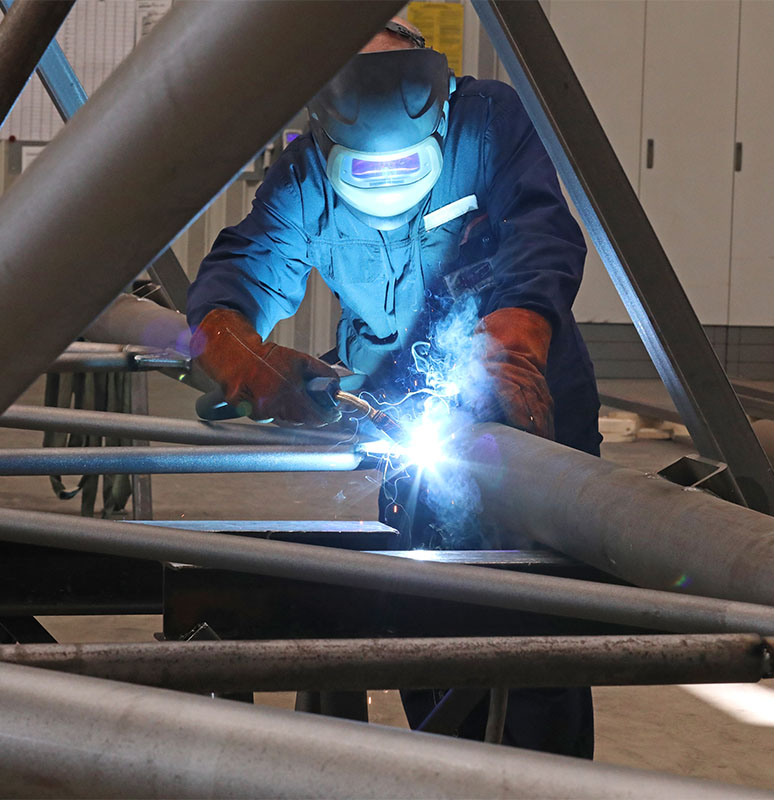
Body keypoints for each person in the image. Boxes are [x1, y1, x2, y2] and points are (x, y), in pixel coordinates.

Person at [187, 18, 599, 759]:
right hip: (406, 427)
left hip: (531, 412)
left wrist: (513, 345)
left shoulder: (489, 125)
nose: (387, 188)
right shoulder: (304, 175)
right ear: (323, 139)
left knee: (540, 633)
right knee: (422, 617)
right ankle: (440, 768)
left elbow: (542, 235)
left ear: (439, 114)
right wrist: (244, 358)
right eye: (363, 175)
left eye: (408, 169)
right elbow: (242, 273)